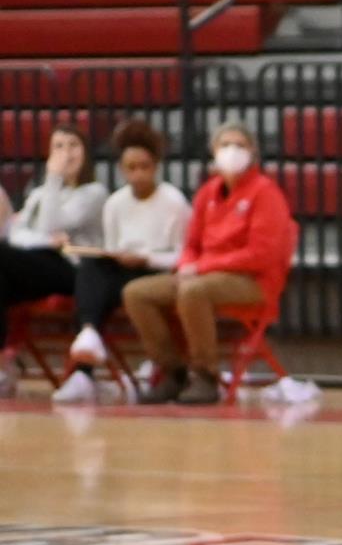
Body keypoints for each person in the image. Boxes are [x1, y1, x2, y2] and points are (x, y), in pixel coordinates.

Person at [125, 121, 295, 406]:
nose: (232, 151)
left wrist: (201, 268)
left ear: (253, 152)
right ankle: (172, 370)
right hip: (205, 275)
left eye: (240, 145)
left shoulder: (265, 192)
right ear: (214, 152)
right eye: (225, 145)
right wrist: (187, 265)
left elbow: (260, 254)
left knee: (194, 291)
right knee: (137, 293)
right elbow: (192, 244)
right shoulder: (208, 192)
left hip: (252, 281)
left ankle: (205, 375)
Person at [55, 118, 188, 404]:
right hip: (123, 269)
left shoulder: (174, 202)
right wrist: (115, 255)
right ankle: (88, 340)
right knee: (91, 268)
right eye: (131, 168)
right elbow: (112, 246)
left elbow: (183, 254)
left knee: (106, 291)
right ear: (121, 170)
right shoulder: (115, 203)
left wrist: (147, 257)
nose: (138, 174)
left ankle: (84, 365)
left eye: (145, 167)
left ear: (156, 167)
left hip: (158, 272)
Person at [0, 123, 107, 397]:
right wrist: (43, 240)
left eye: (73, 146)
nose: (65, 153)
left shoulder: (93, 193)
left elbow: (50, 223)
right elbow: (16, 233)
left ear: (85, 153)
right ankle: (3, 361)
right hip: (39, 263)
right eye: (58, 146)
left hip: (75, 271)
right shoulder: (38, 195)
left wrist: (53, 178)